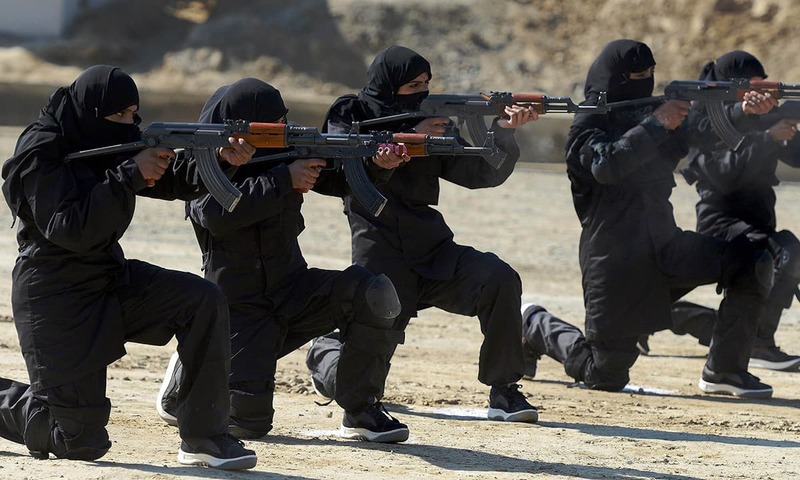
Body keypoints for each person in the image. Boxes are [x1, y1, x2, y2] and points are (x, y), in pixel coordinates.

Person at [0, 65, 258, 469]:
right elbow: (69, 228)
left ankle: (205, 437)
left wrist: (221, 160)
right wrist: (128, 175)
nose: (127, 125)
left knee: (201, 299)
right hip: (53, 294)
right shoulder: (41, 152)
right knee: (78, 440)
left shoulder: (119, 141)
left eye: (133, 114)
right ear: (90, 112)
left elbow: (175, 178)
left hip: (107, 276)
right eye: (117, 115)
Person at [154, 78, 409, 443]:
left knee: (373, 292)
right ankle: (191, 369)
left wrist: (376, 165)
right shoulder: (205, 160)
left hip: (292, 290)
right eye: (270, 122)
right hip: (239, 307)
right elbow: (213, 213)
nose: (281, 129)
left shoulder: (288, 149)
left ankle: (361, 409)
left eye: (282, 119)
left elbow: (340, 180)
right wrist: (281, 180)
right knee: (248, 423)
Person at [519, 39, 777, 399]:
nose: (646, 80)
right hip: (614, 261)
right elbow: (607, 166)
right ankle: (533, 324)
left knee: (752, 260)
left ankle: (725, 370)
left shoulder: (652, 112)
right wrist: (657, 124)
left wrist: (745, 112)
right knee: (604, 372)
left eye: (651, 73)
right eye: (637, 75)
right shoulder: (587, 125)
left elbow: (704, 133)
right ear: (614, 78)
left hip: (664, 244)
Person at [305, 44, 541, 431]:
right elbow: (337, 170)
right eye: (412, 85)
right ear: (388, 85)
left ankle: (504, 389)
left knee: (498, 279)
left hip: (432, 247)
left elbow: (479, 174)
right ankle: (331, 364)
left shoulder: (432, 120)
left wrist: (504, 132)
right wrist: (402, 138)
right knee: (368, 352)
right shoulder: (351, 113)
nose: (422, 92)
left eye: (426, 84)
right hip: (380, 245)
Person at [641, 51, 800, 372]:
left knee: (789, 252)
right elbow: (719, 174)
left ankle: (755, 340)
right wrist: (768, 139)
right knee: (777, 255)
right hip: (721, 220)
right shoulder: (707, 117)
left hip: (758, 219)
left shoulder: (766, 114)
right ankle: (756, 342)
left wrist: (787, 131)